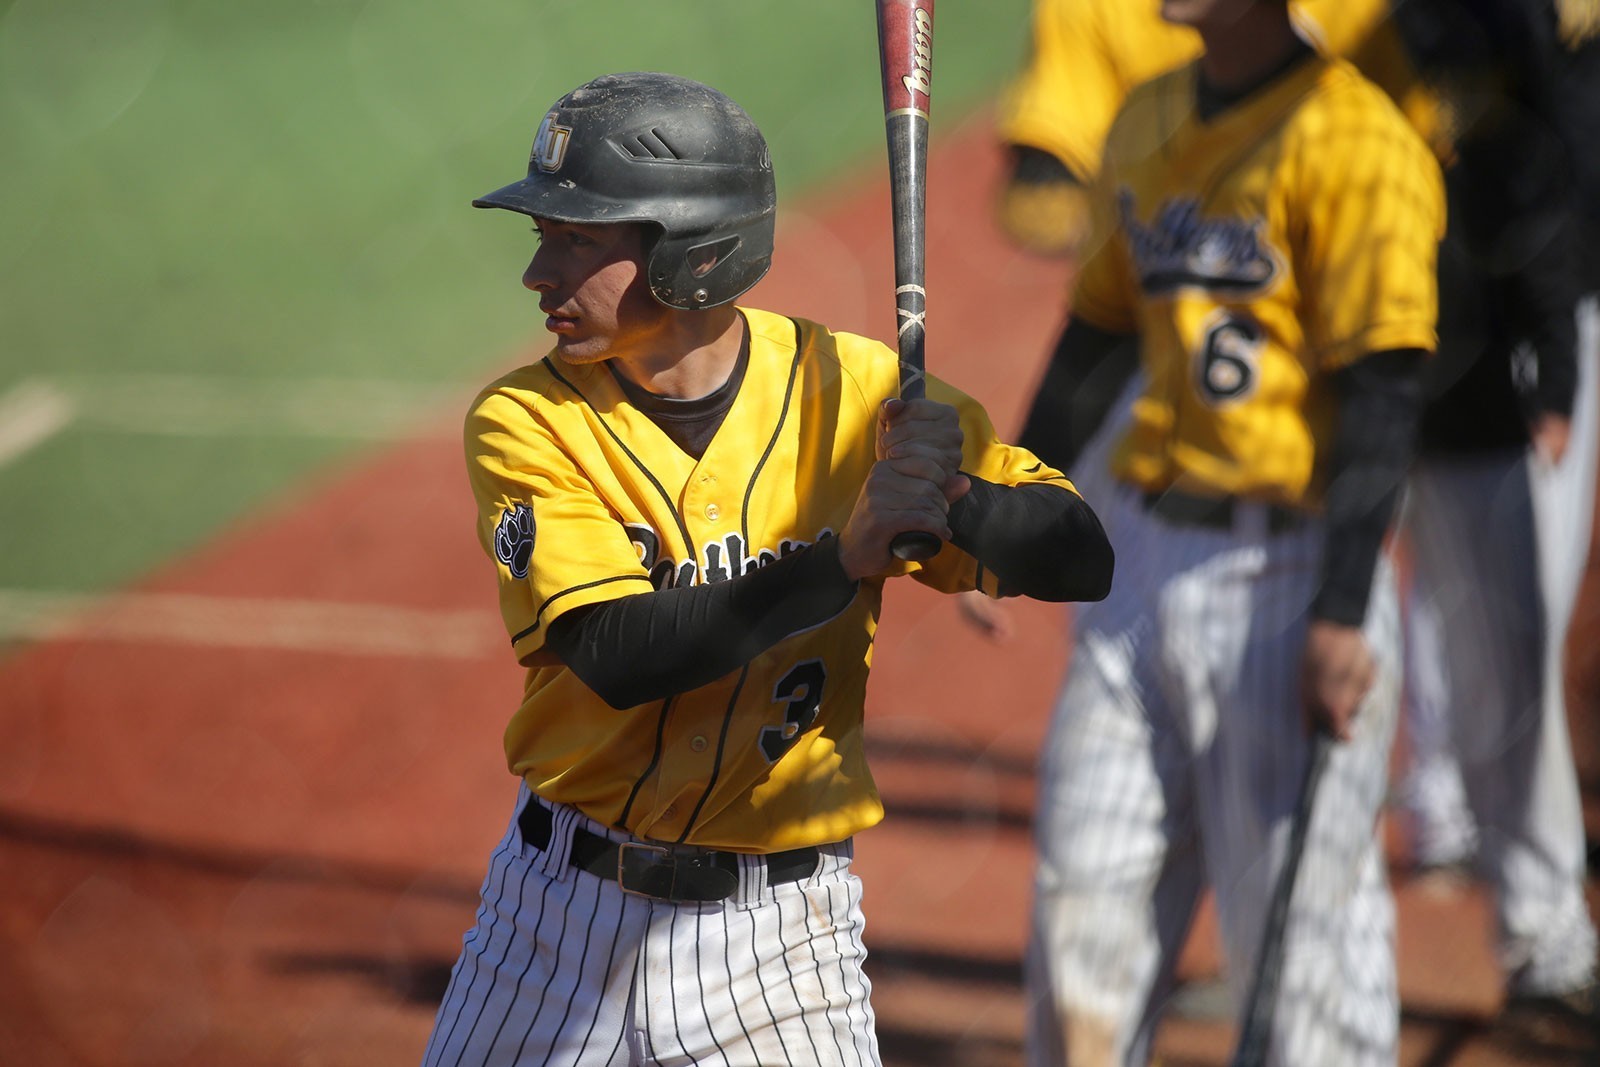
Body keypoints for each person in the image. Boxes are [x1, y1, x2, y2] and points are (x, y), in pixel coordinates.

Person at [419, 71, 1115, 1066]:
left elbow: (1082, 554)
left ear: (692, 252)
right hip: (552, 925)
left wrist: (954, 497)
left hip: (780, 948)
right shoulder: (527, 419)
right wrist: (842, 559)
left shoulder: (859, 392)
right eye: (544, 235)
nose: (538, 272)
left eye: (576, 239)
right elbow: (615, 651)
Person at [1014, 0, 1444, 1061]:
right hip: (1138, 557)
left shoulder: (1357, 139)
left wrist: (1343, 607)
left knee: (1299, 959)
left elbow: (1384, 393)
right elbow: (1097, 334)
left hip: (1288, 566)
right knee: (1080, 906)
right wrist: (1010, 501)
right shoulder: (1147, 114)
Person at [1384, 0, 1600, 1029]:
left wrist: (1551, 363)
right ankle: (1423, 828)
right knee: (1333, 654)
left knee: (1513, 657)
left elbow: (1536, 176)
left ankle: (1545, 930)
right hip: (1340, 396)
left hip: (1476, 388)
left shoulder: (1495, 80)